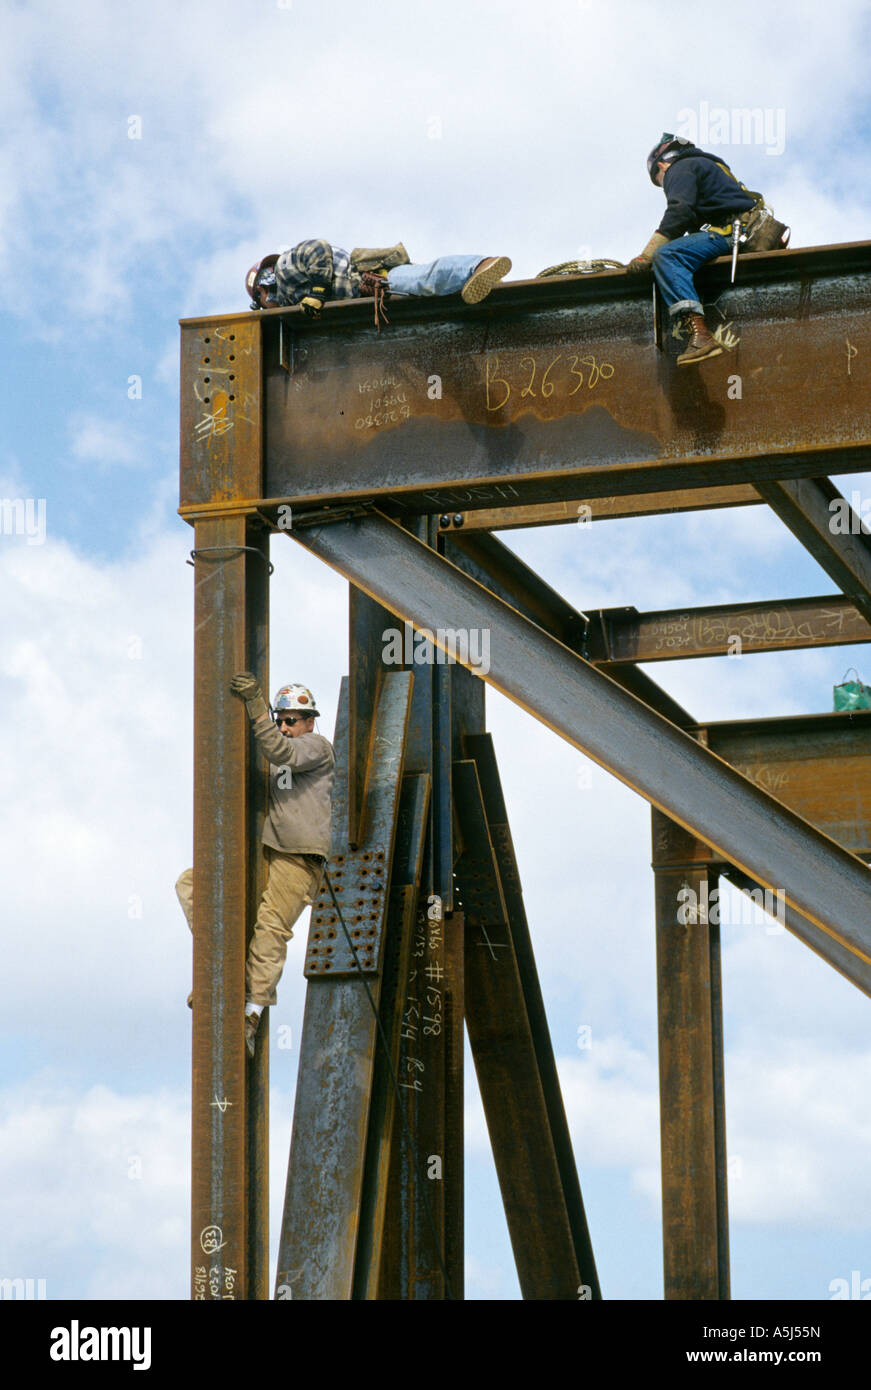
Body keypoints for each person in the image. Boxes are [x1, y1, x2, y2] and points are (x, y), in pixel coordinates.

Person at [176, 678, 334, 1058]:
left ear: (310, 722)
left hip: (299, 858)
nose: (284, 727)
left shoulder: (315, 747)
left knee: (271, 929)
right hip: (267, 850)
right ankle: (218, 966)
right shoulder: (279, 753)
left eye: (292, 720)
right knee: (192, 884)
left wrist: (254, 703)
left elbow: (281, 751)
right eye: (280, 720)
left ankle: (251, 1013)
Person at [627, 133, 760, 366]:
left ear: (662, 165)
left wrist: (647, 255)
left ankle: (700, 337)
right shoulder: (705, 165)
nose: (664, 184)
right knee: (676, 251)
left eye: (659, 180)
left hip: (730, 234)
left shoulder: (679, 168)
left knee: (668, 256)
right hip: (741, 232)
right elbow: (688, 223)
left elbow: (680, 212)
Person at [244, 240, 511, 316]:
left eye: (260, 303)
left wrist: (316, 292)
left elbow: (317, 249)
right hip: (374, 298)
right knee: (430, 296)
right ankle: (476, 283)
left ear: (262, 291)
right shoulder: (295, 303)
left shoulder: (284, 271)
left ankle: (479, 266)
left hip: (375, 280)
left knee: (424, 279)